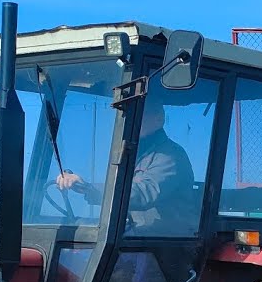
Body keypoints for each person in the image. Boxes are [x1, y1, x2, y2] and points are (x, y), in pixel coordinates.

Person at [56, 94, 198, 234]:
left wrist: (89, 187)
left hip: (165, 241)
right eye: (129, 115)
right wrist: (78, 184)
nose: (130, 120)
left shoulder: (170, 156)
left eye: (139, 114)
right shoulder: (134, 152)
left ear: (158, 118)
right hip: (134, 233)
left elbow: (144, 193)